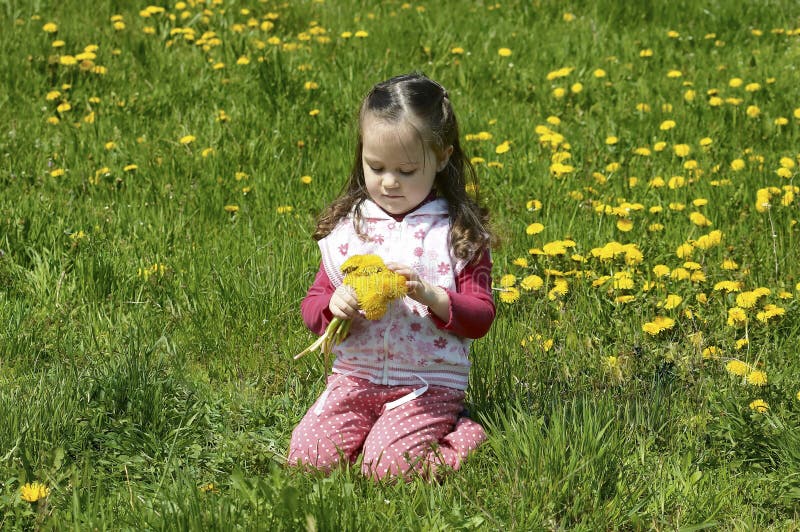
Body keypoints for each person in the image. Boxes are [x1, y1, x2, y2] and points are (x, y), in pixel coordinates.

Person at [288, 72, 495, 481]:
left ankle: (465, 434)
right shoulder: (351, 228)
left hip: (427, 385)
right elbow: (312, 305)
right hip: (356, 380)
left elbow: (482, 316)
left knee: (387, 470)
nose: (388, 182)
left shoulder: (457, 234)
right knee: (308, 459)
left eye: (405, 170)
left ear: (441, 157)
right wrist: (332, 307)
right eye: (376, 166)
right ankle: (372, 436)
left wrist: (434, 296)